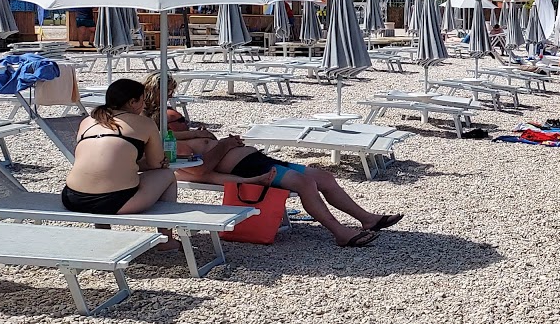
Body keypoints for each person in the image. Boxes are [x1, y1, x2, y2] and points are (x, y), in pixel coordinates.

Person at [142, 74, 401, 247]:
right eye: (177, 118)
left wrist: (205, 135)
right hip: (247, 167)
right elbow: (201, 171)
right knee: (304, 183)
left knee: (323, 177)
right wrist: (225, 145)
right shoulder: (169, 144)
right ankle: (340, 233)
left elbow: (198, 144)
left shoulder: (179, 133)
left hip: (254, 160)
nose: (181, 118)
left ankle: (367, 218)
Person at [63, 79, 180, 247]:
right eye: (142, 100)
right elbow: (156, 164)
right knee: (167, 175)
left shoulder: (87, 121)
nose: (143, 104)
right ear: (132, 102)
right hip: (114, 202)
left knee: (107, 179)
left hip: (73, 197)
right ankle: (166, 239)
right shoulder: (144, 123)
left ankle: (103, 233)